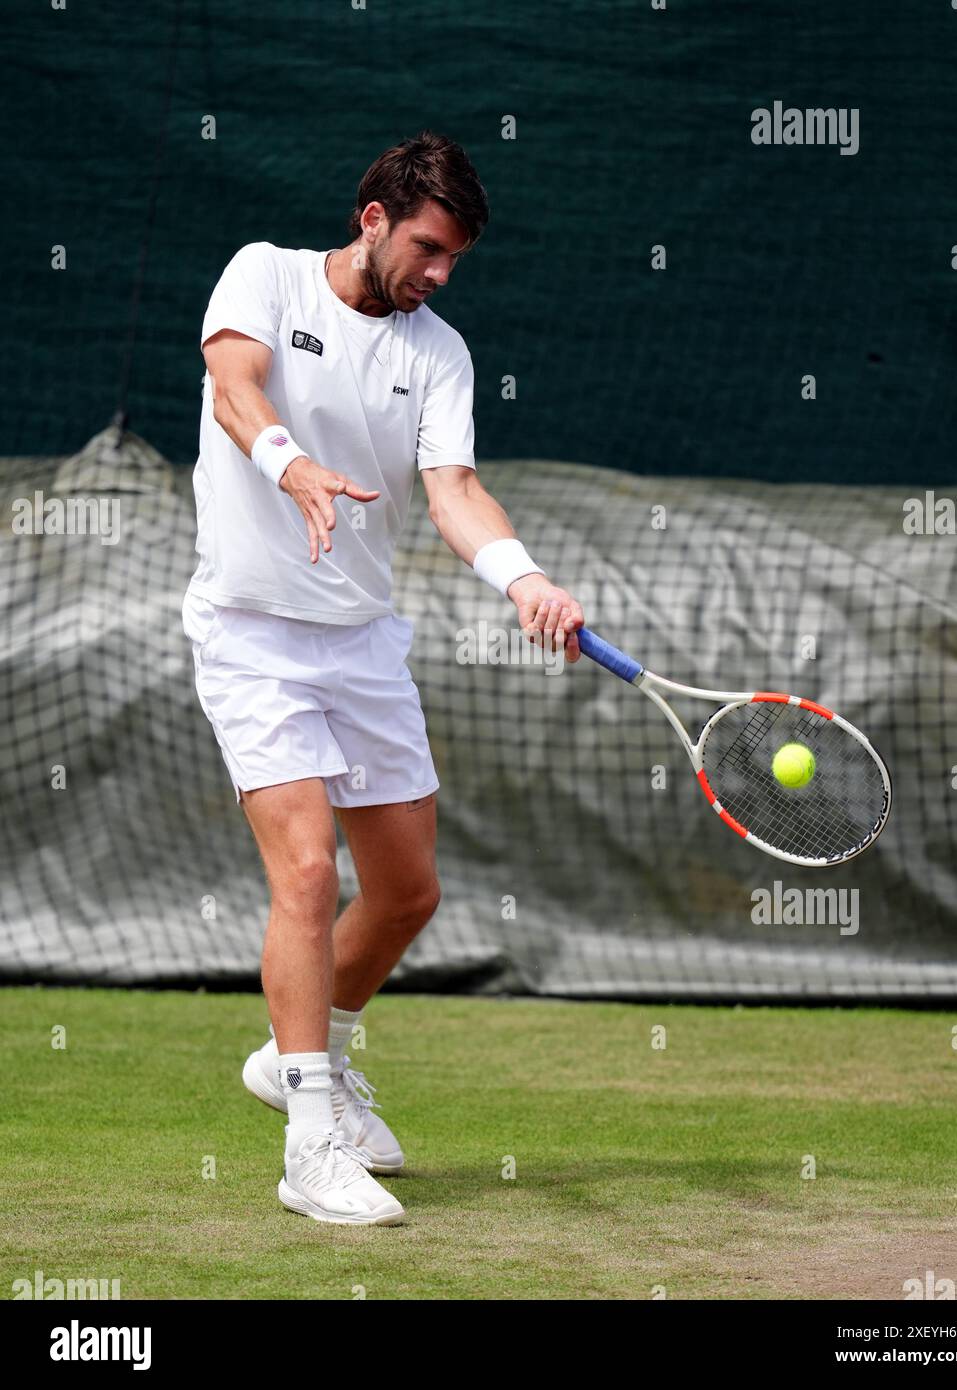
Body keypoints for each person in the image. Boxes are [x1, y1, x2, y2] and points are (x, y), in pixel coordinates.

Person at [182, 131, 585, 1225]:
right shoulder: (262, 272)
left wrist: (524, 577)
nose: (440, 272)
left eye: (455, 257)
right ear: (373, 219)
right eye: (428, 247)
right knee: (308, 875)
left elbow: (453, 491)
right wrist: (290, 463)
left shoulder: (438, 351)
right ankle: (311, 1141)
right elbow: (233, 386)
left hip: (361, 642)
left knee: (408, 892)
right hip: (252, 631)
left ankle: (304, 1056)